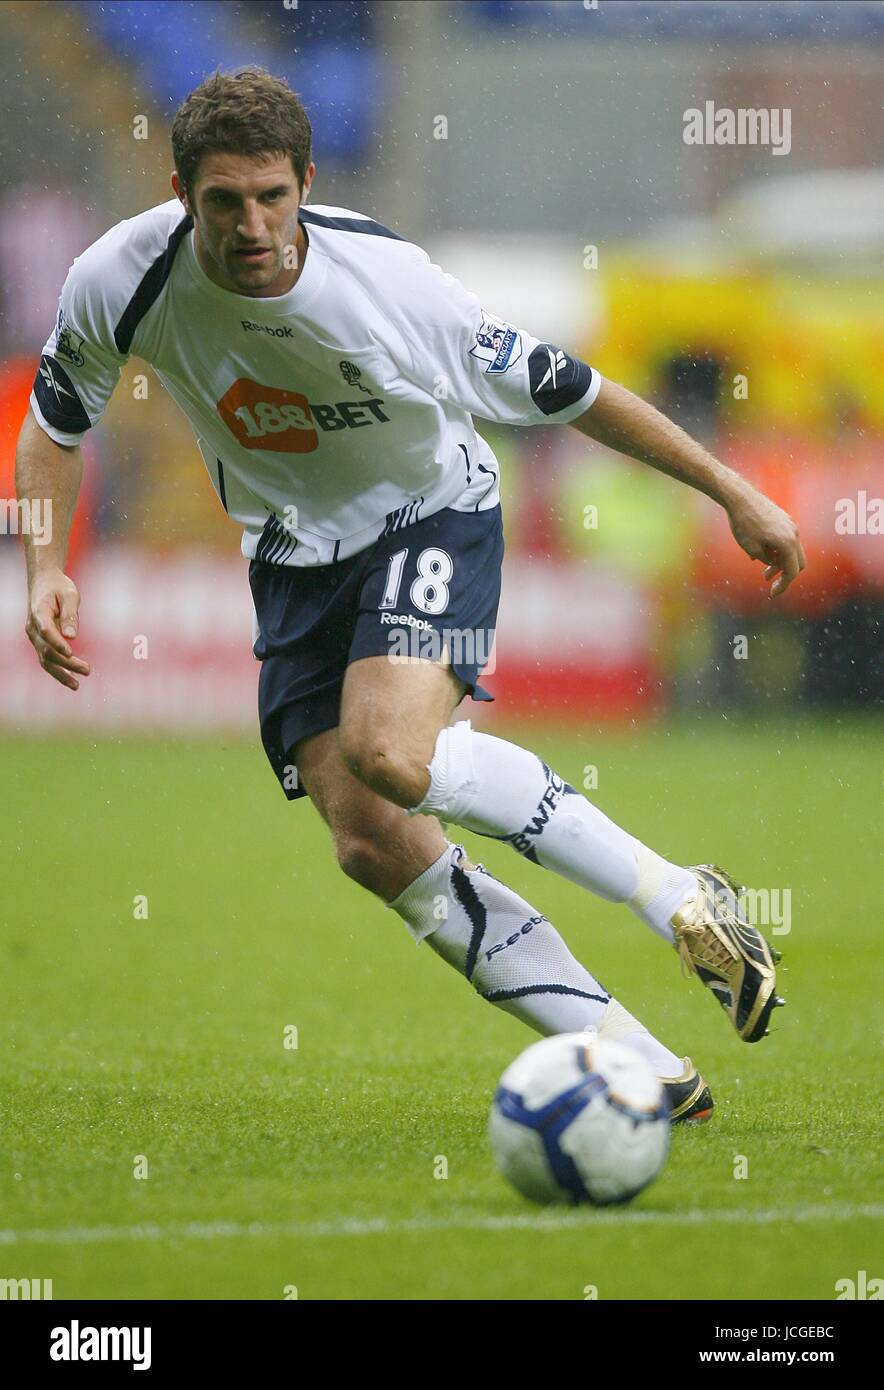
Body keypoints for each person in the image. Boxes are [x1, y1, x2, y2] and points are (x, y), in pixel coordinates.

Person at [17, 67, 805, 1124]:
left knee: (390, 750)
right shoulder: (117, 276)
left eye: (271, 198)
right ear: (179, 191)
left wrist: (728, 488)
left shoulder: (394, 287)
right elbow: (53, 428)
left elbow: (573, 390)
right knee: (369, 838)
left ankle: (675, 892)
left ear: (304, 182)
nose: (251, 226)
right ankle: (634, 1061)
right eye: (222, 202)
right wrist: (43, 564)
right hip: (292, 554)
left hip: (431, 512)